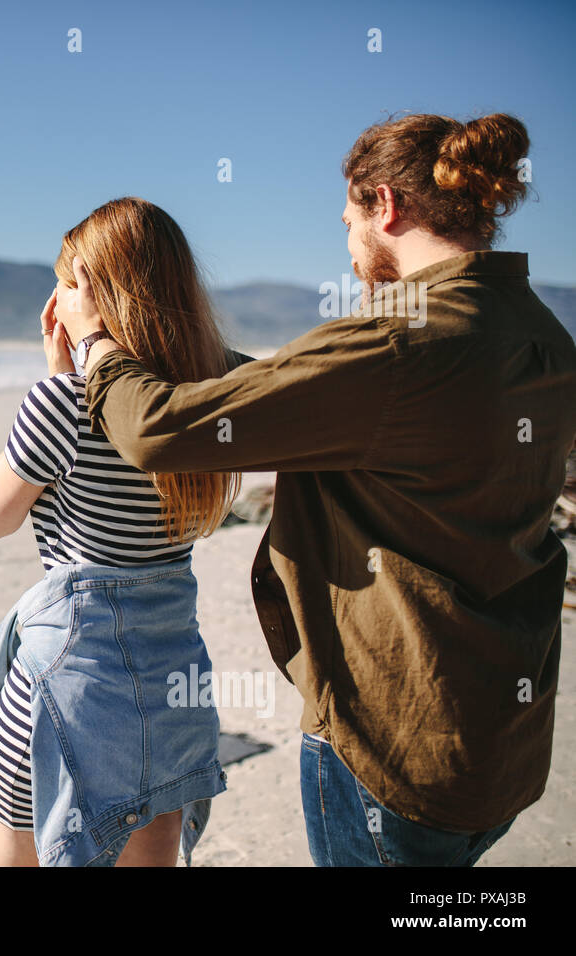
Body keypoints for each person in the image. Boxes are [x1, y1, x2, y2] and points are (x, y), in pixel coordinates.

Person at [59, 112, 576, 866]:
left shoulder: (398, 339)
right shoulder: (542, 337)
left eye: (347, 221)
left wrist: (96, 342)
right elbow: (296, 395)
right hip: (501, 743)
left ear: (386, 206)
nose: (348, 243)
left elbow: (159, 434)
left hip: (389, 746)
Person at [0, 197, 252, 866]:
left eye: (66, 282)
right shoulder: (205, 400)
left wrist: (56, 382)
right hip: (172, 688)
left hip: (64, 691)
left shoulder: (64, 402)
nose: (55, 299)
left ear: (94, 298)